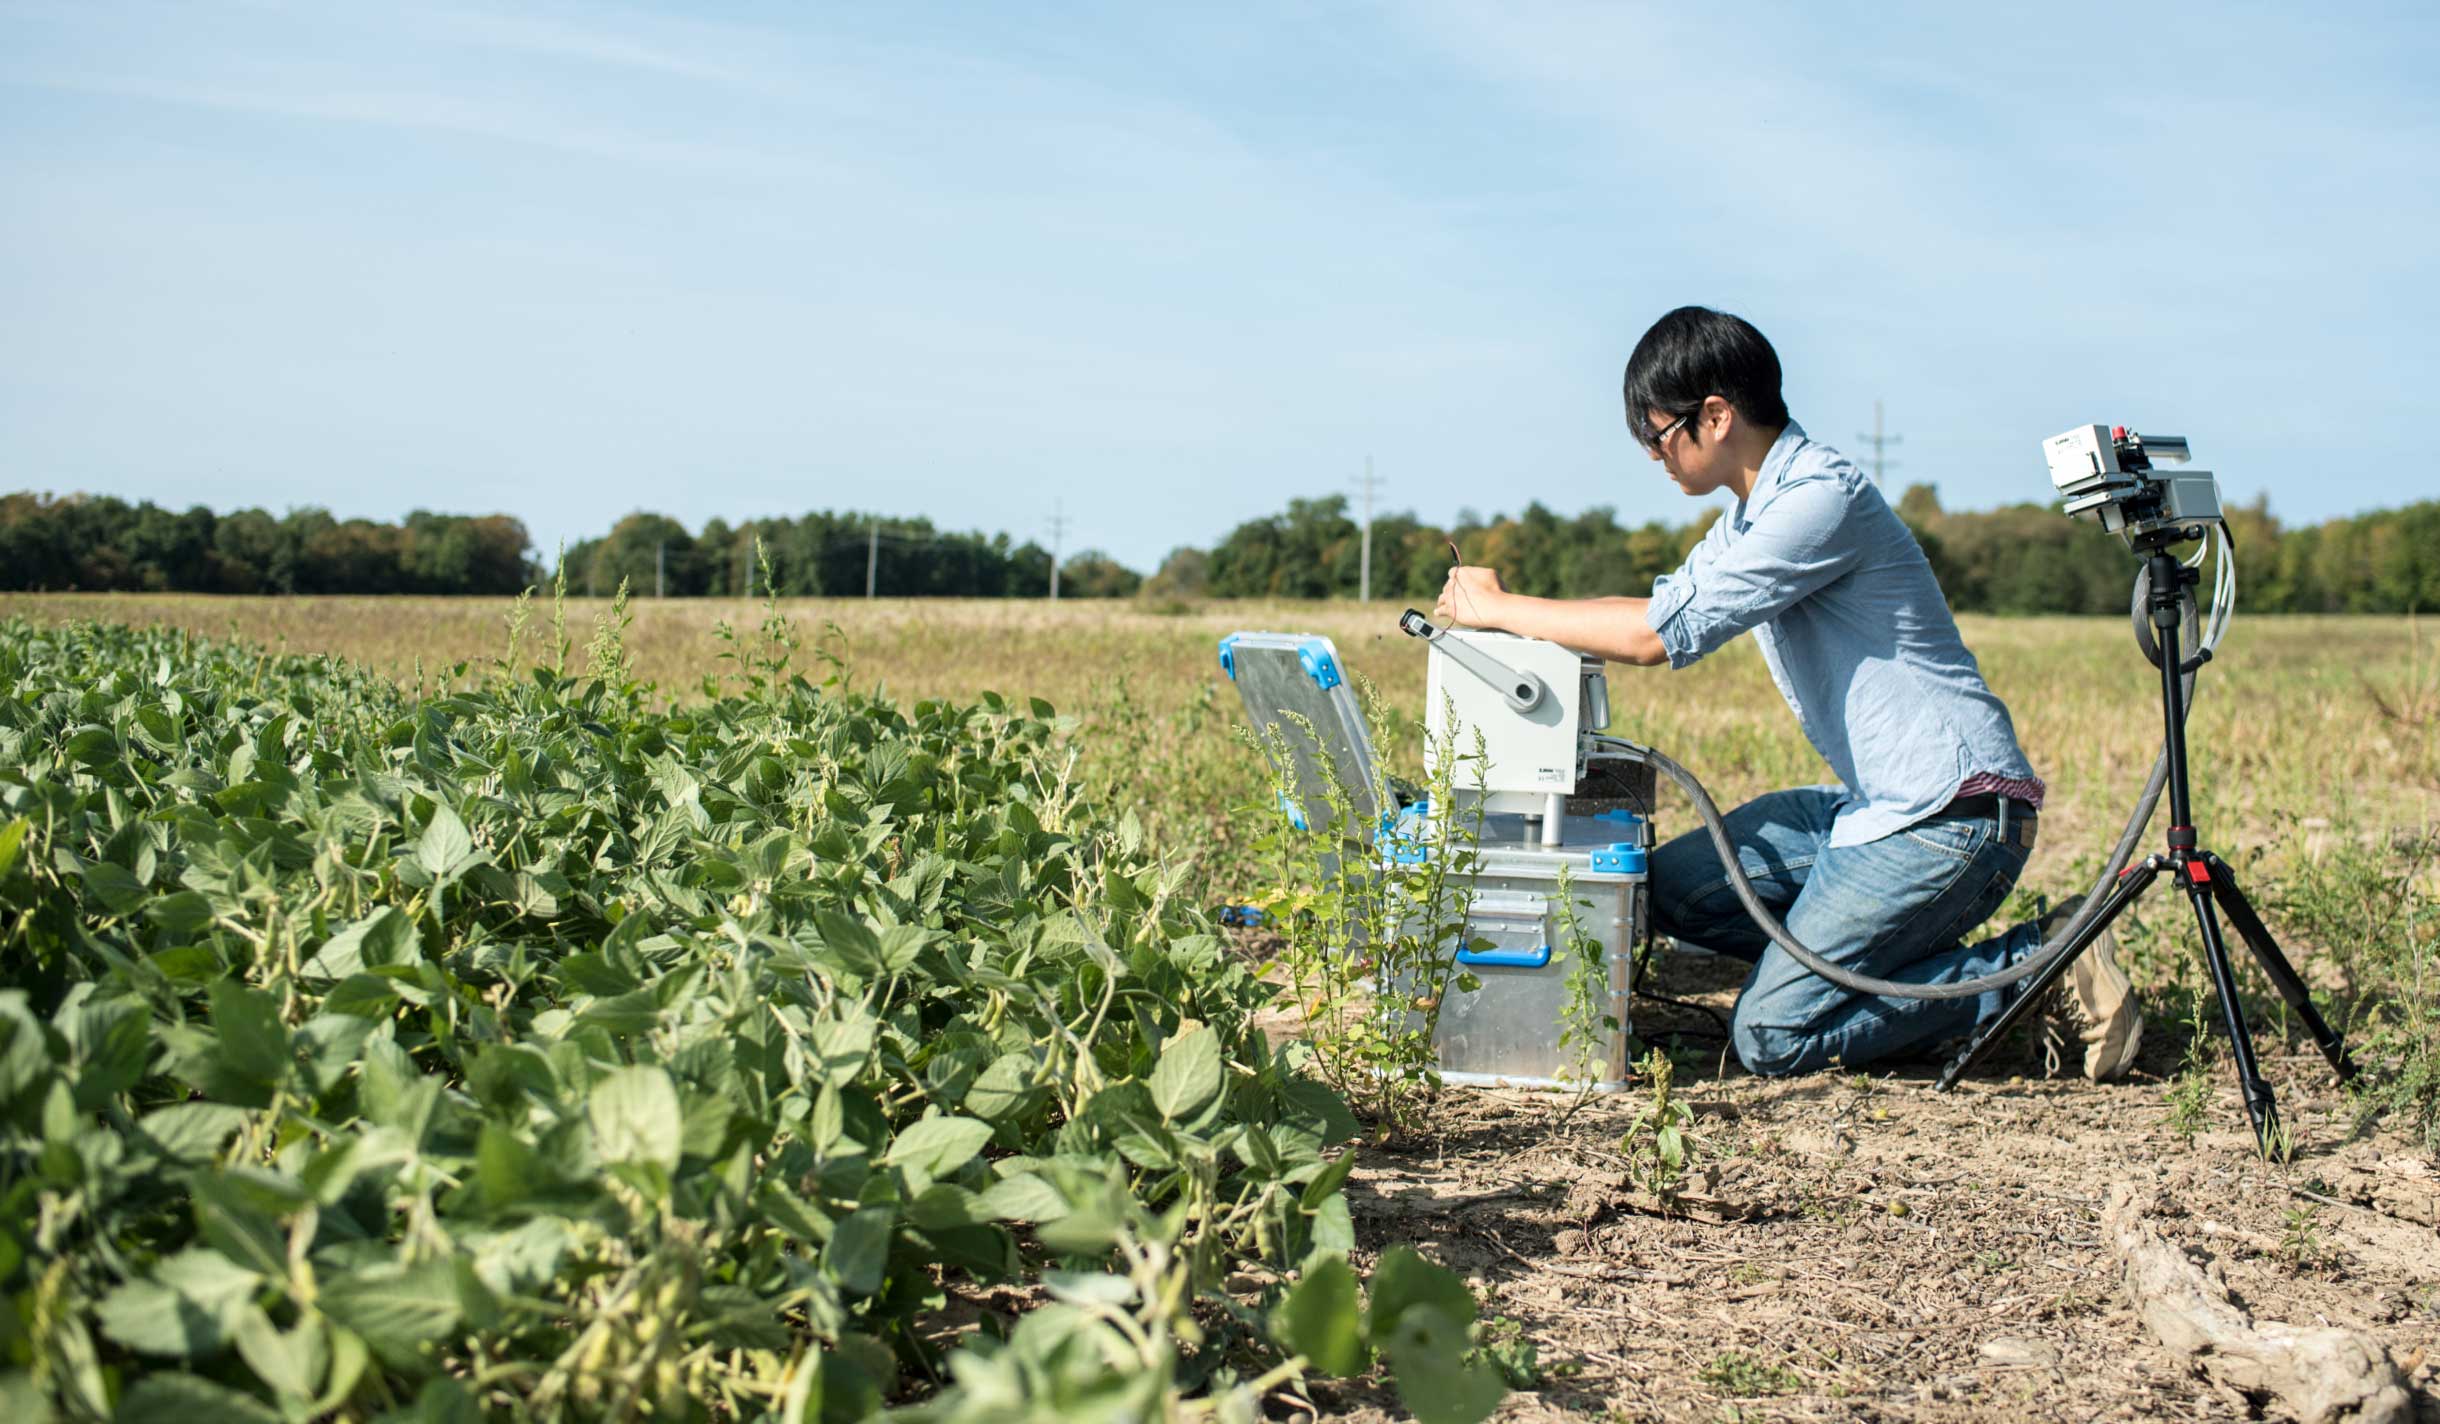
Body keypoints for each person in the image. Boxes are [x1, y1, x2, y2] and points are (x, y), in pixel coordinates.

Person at [1432, 306, 2140, 1081]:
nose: (1653, 456)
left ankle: (2040, 963)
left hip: (1950, 819)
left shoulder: (1817, 501)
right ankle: (1874, 964)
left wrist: (1499, 607)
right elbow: (1654, 607)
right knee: (1672, 890)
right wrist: (1507, 611)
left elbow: (1656, 638)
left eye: (1657, 435)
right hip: (1878, 809)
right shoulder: (1751, 515)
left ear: (1715, 416)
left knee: (1772, 1035)